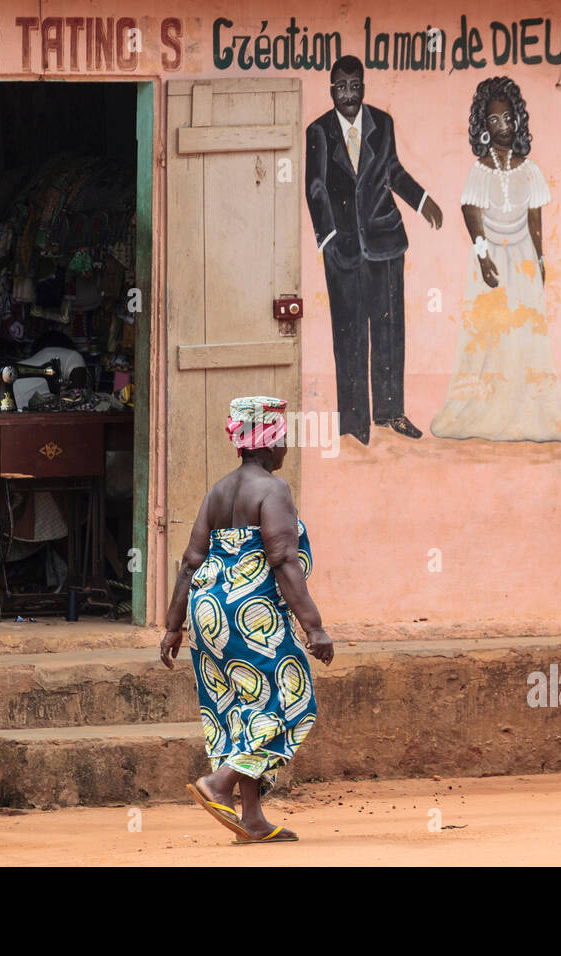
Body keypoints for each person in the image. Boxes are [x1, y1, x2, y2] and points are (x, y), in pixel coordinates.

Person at [161, 396, 335, 844]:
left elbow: (189, 562)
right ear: (269, 440)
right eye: (283, 440)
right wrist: (313, 626)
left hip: (208, 614)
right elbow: (283, 560)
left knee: (242, 710)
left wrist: (173, 624)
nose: (286, 449)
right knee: (292, 701)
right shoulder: (272, 490)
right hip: (249, 614)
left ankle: (252, 817)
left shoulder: (218, 490)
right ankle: (218, 783)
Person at [429, 77, 561, 443]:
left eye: (507, 119)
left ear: (517, 121)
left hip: (521, 259)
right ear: (482, 127)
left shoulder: (529, 170)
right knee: (489, 334)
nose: (502, 126)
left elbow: (535, 218)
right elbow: (471, 211)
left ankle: (526, 406)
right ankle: (484, 408)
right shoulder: (480, 170)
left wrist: (540, 259)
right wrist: (484, 256)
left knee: (524, 334)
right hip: (488, 260)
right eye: (493, 121)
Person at [306, 55, 443, 446]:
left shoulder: (383, 124)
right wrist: (328, 240)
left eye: (355, 85)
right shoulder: (318, 131)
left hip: (385, 243)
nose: (349, 94)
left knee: (388, 329)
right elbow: (314, 188)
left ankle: (389, 412)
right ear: (331, 90)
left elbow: (393, 171)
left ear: (364, 86)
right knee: (348, 334)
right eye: (341, 87)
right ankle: (353, 424)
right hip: (343, 250)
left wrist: (422, 202)